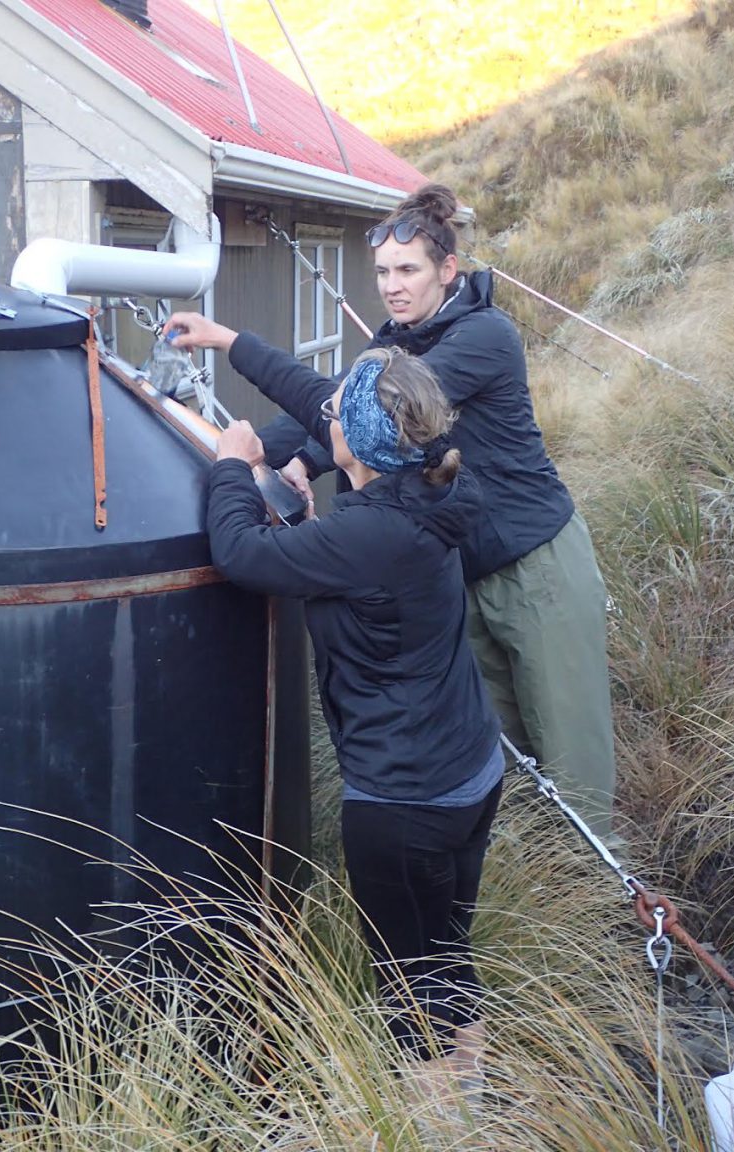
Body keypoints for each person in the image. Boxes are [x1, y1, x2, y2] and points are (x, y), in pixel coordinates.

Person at [227, 183, 617, 839]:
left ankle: (608, 899)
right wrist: (284, 456)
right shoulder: (395, 347)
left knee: (571, 750)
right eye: (382, 272)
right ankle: (546, 899)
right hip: (463, 575)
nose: (392, 286)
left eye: (407, 270)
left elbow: (371, 411)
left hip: (537, 566)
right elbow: (347, 413)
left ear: (447, 270)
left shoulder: (485, 336)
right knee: (504, 755)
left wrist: (233, 345)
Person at [188, 329, 504, 1086]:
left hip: (405, 800)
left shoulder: (370, 533)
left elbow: (240, 555)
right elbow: (324, 403)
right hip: (469, 770)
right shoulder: (431, 481)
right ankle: (476, 1091)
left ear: (353, 450)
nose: (323, 423)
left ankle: (437, 1122)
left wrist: (234, 466)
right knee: (446, 953)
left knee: (407, 987)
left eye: (335, 425)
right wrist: (227, 342)